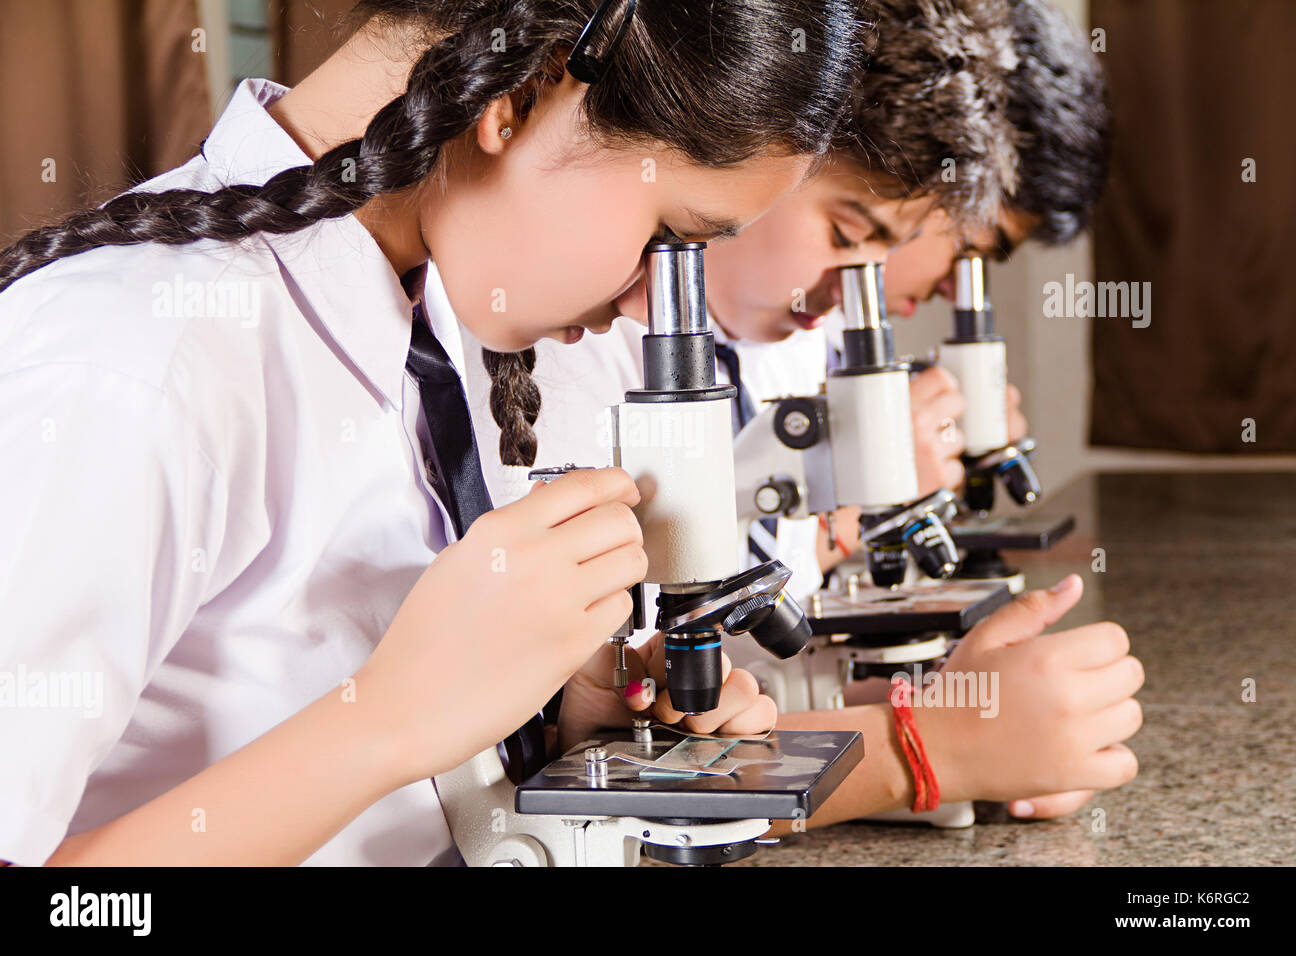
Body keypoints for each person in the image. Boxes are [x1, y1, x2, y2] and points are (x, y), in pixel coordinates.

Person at [0, 0, 864, 866]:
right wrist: (387, 720)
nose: (653, 304)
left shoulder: (433, 313)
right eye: (668, 236)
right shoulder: (135, 358)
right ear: (520, 95)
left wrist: (550, 734)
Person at [467, 0, 1141, 830]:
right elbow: (540, 776)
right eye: (850, 233)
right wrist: (919, 752)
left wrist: (965, 715)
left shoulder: (774, 329)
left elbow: (656, 701)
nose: (863, 285)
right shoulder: (568, 340)